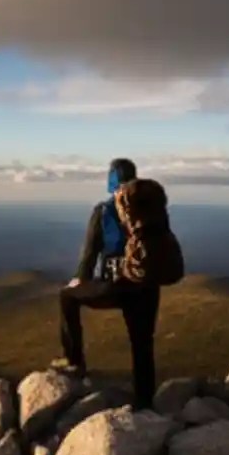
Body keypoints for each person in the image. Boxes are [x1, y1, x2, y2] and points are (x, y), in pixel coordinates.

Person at [56, 158, 161, 409]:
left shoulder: (104, 210)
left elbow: (90, 252)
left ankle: (74, 361)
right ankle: (145, 403)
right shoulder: (151, 207)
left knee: (66, 297)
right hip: (147, 287)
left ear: (111, 180)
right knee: (142, 345)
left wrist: (79, 279)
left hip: (115, 285)